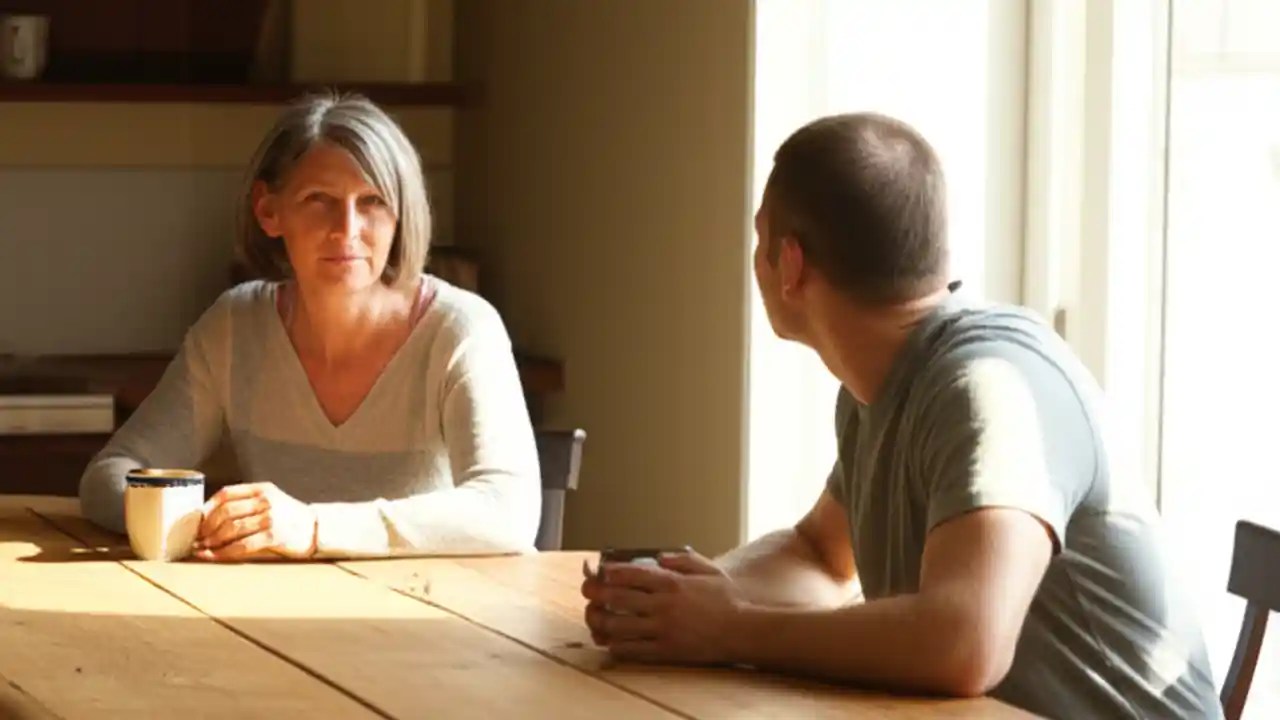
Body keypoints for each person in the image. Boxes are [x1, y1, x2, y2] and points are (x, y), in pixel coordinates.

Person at [581, 113, 1222, 718]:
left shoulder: (987, 387)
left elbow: (966, 641)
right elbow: (818, 559)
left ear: (791, 265)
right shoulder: (881, 386)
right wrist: (687, 597)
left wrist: (731, 628)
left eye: (759, 237)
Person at [80, 93, 541, 561]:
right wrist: (198, 526)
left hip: (433, 621)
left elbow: (511, 511)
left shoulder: (462, 329)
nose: (347, 229)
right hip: (271, 617)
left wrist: (313, 527)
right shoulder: (234, 328)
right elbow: (110, 475)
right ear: (269, 211)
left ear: (402, 214)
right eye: (319, 200)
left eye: (373, 201)